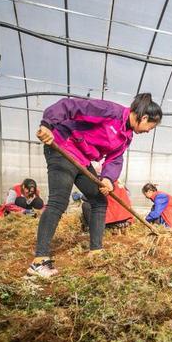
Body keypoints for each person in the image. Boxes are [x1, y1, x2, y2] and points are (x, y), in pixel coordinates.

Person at [28, 93, 162, 278]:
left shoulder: (127, 136)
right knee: (58, 201)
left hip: (82, 160)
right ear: (144, 117)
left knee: (99, 200)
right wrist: (47, 124)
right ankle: (39, 261)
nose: (148, 131)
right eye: (150, 127)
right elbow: (70, 106)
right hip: (63, 145)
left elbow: (115, 158)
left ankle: (96, 251)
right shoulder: (110, 112)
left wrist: (108, 179)